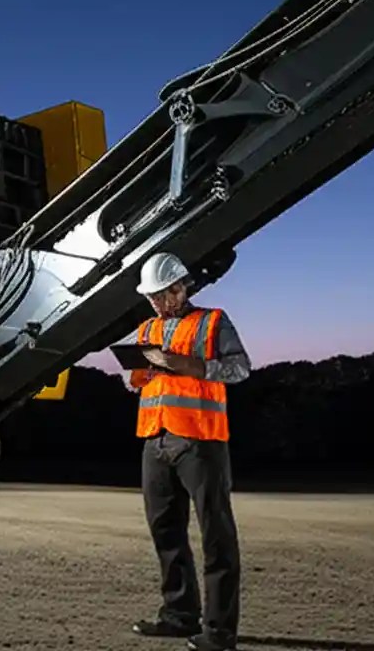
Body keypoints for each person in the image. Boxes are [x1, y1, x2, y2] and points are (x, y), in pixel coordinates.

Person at [117, 251, 251, 651]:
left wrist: (187, 365)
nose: (158, 303)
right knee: (166, 531)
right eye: (152, 297)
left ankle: (220, 632)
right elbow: (140, 383)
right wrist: (139, 376)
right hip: (155, 441)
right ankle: (178, 616)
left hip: (200, 442)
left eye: (163, 294)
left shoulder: (212, 322)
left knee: (216, 535)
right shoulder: (146, 329)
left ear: (181, 286)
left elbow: (240, 368)